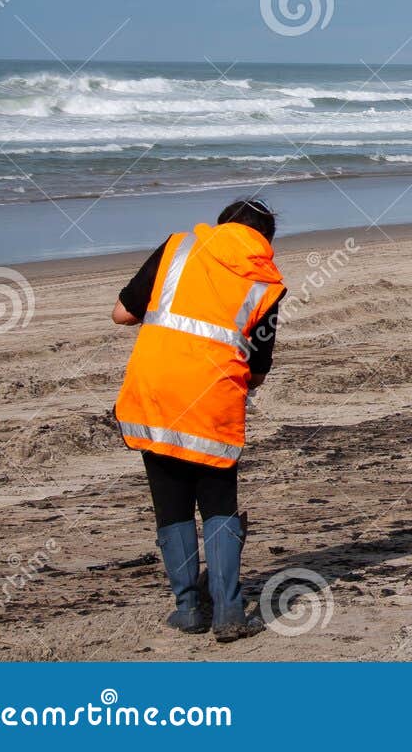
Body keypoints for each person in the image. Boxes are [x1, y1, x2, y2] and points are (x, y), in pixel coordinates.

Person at [112, 199, 288, 642]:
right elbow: (259, 369)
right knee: (217, 500)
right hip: (213, 396)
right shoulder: (265, 281)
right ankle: (229, 611)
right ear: (264, 240)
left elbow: (122, 314)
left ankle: (189, 608)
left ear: (221, 225)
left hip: (155, 389)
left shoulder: (179, 247)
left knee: (169, 499)